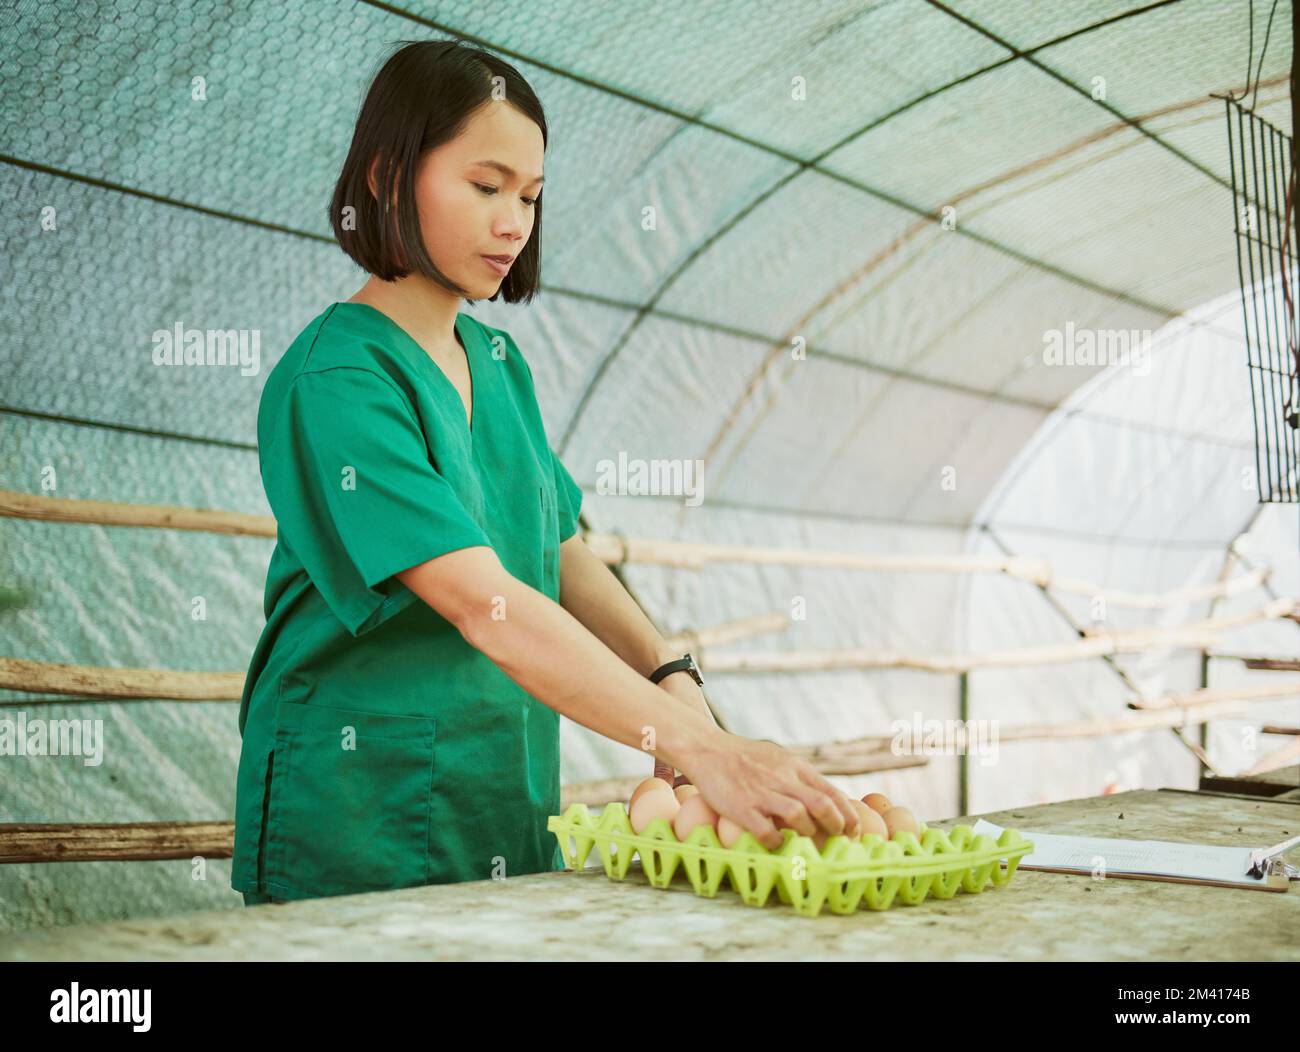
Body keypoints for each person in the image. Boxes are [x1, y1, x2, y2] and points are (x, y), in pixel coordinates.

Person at [231, 38, 859, 906]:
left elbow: (557, 549)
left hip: (499, 792)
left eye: (529, 196)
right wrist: (706, 750)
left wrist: (669, 672)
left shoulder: (495, 361)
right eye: (485, 186)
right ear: (384, 175)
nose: (514, 221)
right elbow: (479, 602)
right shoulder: (338, 381)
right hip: (361, 809)